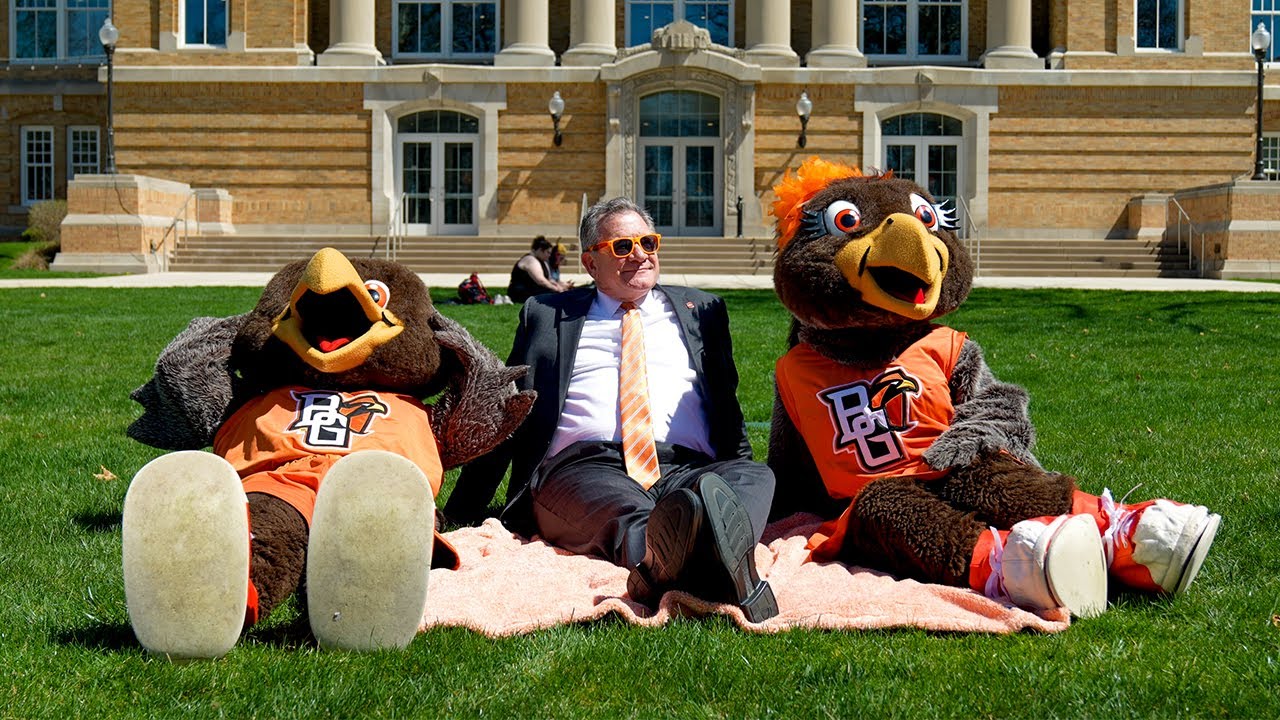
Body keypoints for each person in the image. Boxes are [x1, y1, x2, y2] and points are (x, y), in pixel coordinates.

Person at [450, 197, 779, 622]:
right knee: (628, 514)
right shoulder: (548, 314)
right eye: (622, 247)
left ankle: (687, 558)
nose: (640, 254)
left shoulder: (704, 310)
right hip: (583, 468)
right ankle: (706, 565)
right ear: (590, 262)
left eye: (648, 242)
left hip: (685, 466)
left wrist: (731, 469)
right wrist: (462, 510)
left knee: (753, 476)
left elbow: (726, 403)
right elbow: (511, 406)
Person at [507, 235, 569, 303]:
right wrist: (557, 289)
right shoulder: (531, 260)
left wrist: (560, 285)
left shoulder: (543, 261)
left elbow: (548, 279)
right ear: (540, 250)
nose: (549, 255)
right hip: (520, 292)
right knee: (554, 293)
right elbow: (541, 281)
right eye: (547, 252)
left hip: (533, 290)